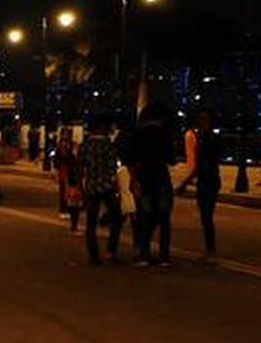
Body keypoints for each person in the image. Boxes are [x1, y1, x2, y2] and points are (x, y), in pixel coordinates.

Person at [129, 103, 176, 267]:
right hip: (160, 176)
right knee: (164, 217)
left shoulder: (137, 133)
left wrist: (134, 180)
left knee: (145, 215)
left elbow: (131, 159)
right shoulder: (164, 133)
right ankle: (164, 255)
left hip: (143, 176)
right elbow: (171, 158)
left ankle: (144, 253)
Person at [177, 109, 222, 263]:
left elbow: (199, 165)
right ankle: (210, 251)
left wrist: (184, 183)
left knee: (206, 217)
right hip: (213, 179)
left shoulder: (204, 140)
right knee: (206, 217)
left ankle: (211, 252)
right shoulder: (212, 139)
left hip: (206, 181)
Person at [78, 114, 120, 265]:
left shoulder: (85, 146)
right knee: (117, 216)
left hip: (91, 186)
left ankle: (94, 256)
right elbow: (113, 167)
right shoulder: (108, 145)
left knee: (90, 223)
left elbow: (80, 168)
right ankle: (111, 250)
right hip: (107, 186)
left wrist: (80, 188)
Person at [56, 132, 83, 234]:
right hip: (68, 175)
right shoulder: (66, 152)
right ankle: (65, 211)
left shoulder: (68, 151)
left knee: (68, 194)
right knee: (69, 195)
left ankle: (66, 210)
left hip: (69, 175)